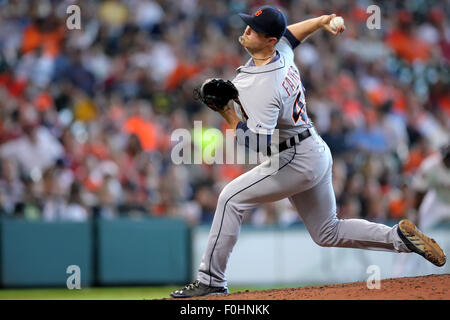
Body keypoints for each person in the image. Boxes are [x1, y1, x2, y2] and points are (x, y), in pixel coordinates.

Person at [170, 6, 446, 298]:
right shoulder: (282, 53)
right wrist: (323, 20)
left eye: (254, 28)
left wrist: (228, 114)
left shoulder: (263, 85)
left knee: (229, 198)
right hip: (312, 148)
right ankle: (398, 238)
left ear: (269, 41)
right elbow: (291, 34)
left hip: (293, 159)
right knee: (327, 231)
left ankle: (211, 280)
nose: (247, 29)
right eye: (249, 24)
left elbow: (258, 144)